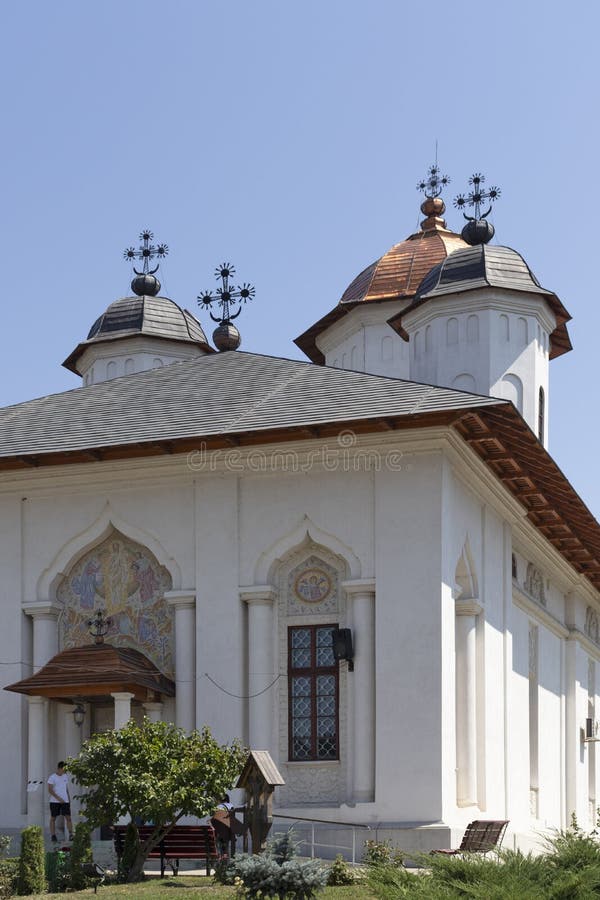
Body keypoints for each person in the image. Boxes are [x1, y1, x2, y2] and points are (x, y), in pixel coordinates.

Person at [47, 761, 73, 842]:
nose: (64, 771)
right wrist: (59, 799)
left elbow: (66, 789)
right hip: (54, 801)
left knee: (68, 817)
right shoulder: (52, 777)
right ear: (59, 768)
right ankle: (53, 835)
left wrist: (68, 799)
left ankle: (71, 834)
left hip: (65, 801)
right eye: (63, 769)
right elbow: (50, 790)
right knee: (53, 818)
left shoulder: (65, 776)